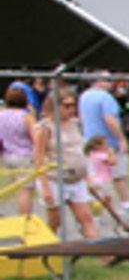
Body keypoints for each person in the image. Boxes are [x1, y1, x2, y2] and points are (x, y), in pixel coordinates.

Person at [32, 87, 100, 238]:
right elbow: (38, 158)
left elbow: (81, 152)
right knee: (55, 221)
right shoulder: (44, 128)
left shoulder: (75, 124)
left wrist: (89, 177)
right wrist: (45, 187)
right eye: (67, 106)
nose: (71, 110)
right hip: (54, 179)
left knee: (86, 218)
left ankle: (99, 250)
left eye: (73, 105)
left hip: (76, 178)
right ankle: (47, 245)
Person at [77, 77, 129, 216]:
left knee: (94, 176)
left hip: (90, 141)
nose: (110, 83)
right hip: (108, 142)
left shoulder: (83, 97)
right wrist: (121, 138)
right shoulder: (106, 97)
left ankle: (96, 209)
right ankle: (125, 204)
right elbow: (110, 119)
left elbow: (81, 118)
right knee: (118, 174)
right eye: (107, 80)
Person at [0, 85, 35, 217]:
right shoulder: (26, 117)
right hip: (24, 155)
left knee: (10, 187)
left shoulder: (1, 115)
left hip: (6, 154)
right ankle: (24, 217)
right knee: (25, 189)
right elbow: (34, 136)